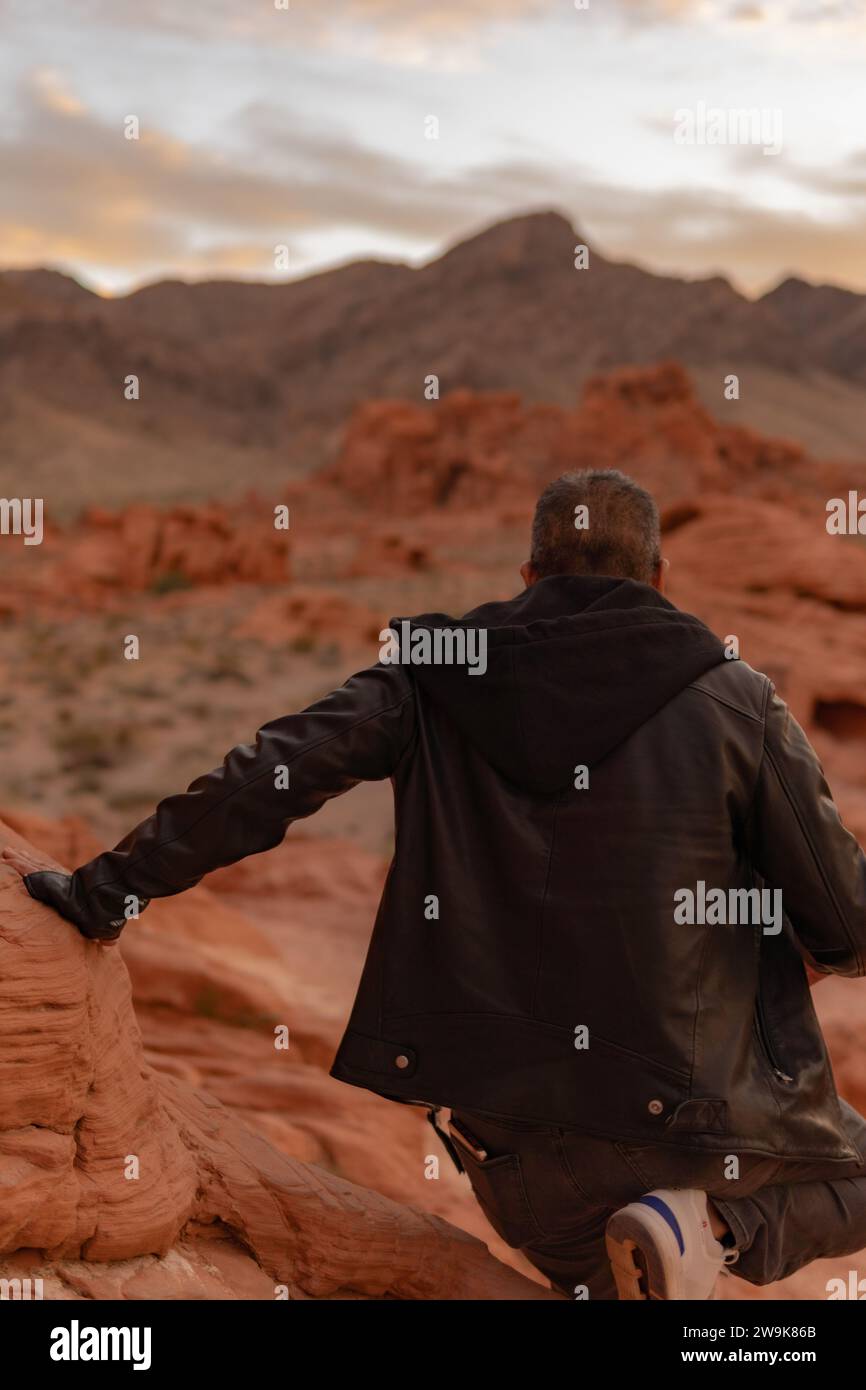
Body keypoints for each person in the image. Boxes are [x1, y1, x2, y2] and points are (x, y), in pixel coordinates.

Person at [6, 467, 866, 1301]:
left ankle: (681, 1237)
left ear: (528, 574)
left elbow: (268, 776)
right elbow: (849, 926)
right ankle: (713, 1230)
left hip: (514, 1161)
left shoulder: (430, 675)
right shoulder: (736, 699)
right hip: (693, 1136)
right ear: (660, 579)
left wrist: (104, 891)